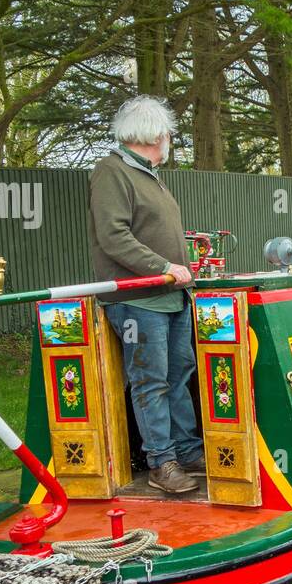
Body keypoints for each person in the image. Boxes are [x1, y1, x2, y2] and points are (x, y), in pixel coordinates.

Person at [89, 96, 204, 494]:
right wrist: (165, 267)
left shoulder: (147, 174)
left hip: (171, 297)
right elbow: (114, 237)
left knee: (178, 375)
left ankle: (187, 450)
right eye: (168, 133)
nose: (170, 139)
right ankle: (161, 462)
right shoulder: (112, 172)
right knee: (150, 381)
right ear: (155, 134)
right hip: (139, 301)